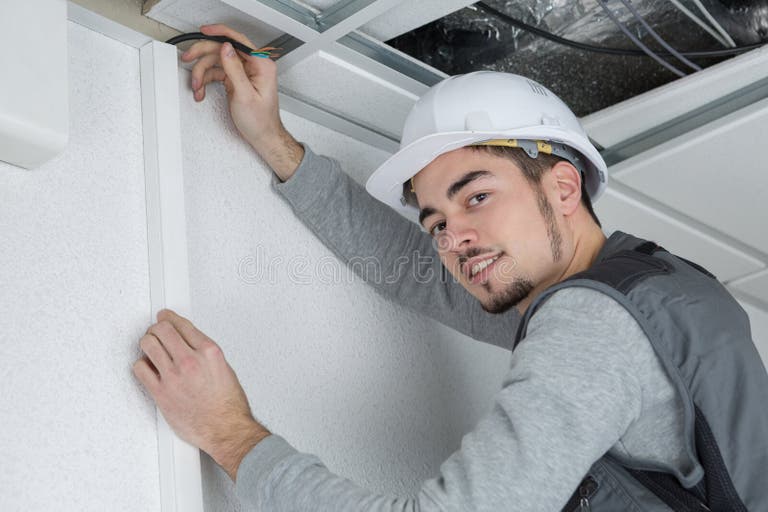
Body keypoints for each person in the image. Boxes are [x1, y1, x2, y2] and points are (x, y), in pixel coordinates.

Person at [133, 24, 768, 511]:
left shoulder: (596, 326)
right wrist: (275, 142)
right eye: (436, 220)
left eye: (477, 197)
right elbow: (418, 274)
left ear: (565, 188)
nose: (454, 238)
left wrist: (230, 435)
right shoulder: (645, 289)